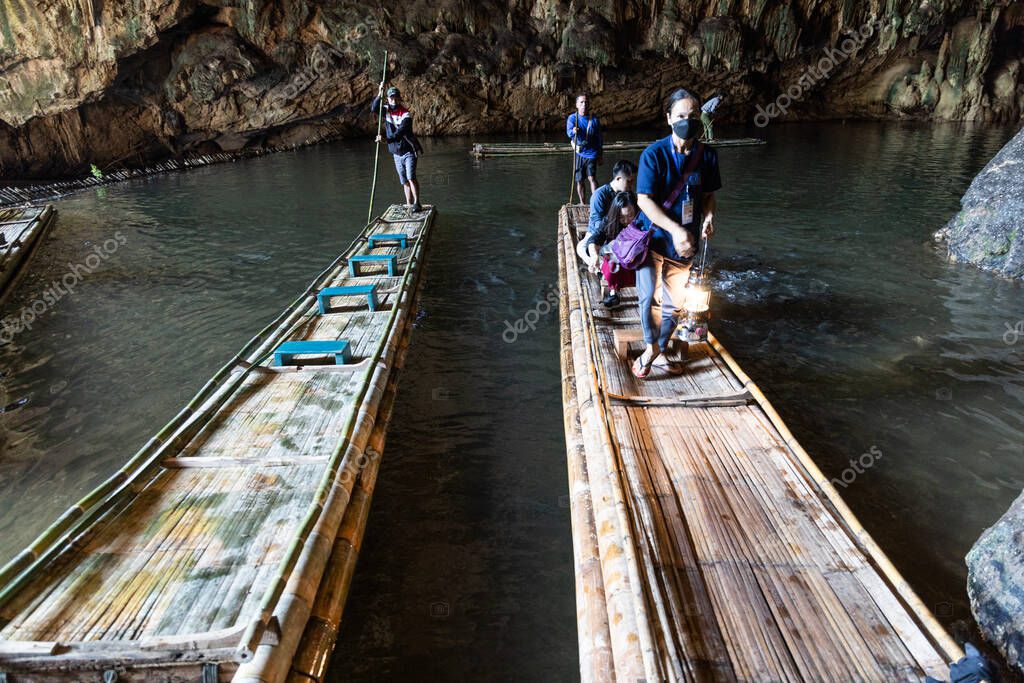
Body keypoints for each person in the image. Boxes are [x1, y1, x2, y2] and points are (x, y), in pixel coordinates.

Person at [632, 87, 722, 379]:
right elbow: (644, 200)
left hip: (685, 245)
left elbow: (708, 195)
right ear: (669, 118)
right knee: (648, 298)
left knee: (674, 303)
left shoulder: (707, 156)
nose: (687, 120)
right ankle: (651, 347)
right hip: (653, 239)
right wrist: (674, 229)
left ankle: (656, 350)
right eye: (681, 115)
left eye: (693, 115)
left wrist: (708, 216)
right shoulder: (653, 155)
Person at [576, 190, 639, 308]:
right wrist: (594, 256)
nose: (626, 221)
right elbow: (594, 239)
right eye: (622, 218)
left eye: (630, 215)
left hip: (638, 260)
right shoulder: (609, 221)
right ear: (616, 215)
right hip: (619, 262)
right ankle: (613, 292)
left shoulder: (642, 219)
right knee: (609, 265)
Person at [371, 83, 423, 213]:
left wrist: (385, 140)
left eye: (395, 98)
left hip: (409, 150)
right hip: (396, 153)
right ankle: (409, 204)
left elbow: (400, 133)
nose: (393, 100)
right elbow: (374, 108)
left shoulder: (406, 114)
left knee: (411, 177)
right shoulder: (386, 109)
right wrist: (379, 92)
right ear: (388, 99)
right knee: (404, 180)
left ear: (399, 98)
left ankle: (417, 203)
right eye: (391, 98)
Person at [566, 93, 603, 204]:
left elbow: (599, 139)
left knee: (592, 178)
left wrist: (600, 155)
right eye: (581, 102)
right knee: (579, 180)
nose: (584, 104)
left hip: (592, 153)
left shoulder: (594, 120)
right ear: (577, 105)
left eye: (586, 102)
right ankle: (583, 203)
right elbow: (569, 133)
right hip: (579, 153)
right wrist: (573, 131)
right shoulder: (573, 118)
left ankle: (595, 202)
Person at [586, 159, 636, 237]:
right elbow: (596, 222)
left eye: (633, 181)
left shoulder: (628, 194)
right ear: (618, 178)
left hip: (620, 232)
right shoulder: (599, 195)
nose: (632, 185)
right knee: (581, 248)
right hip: (597, 234)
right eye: (629, 181)